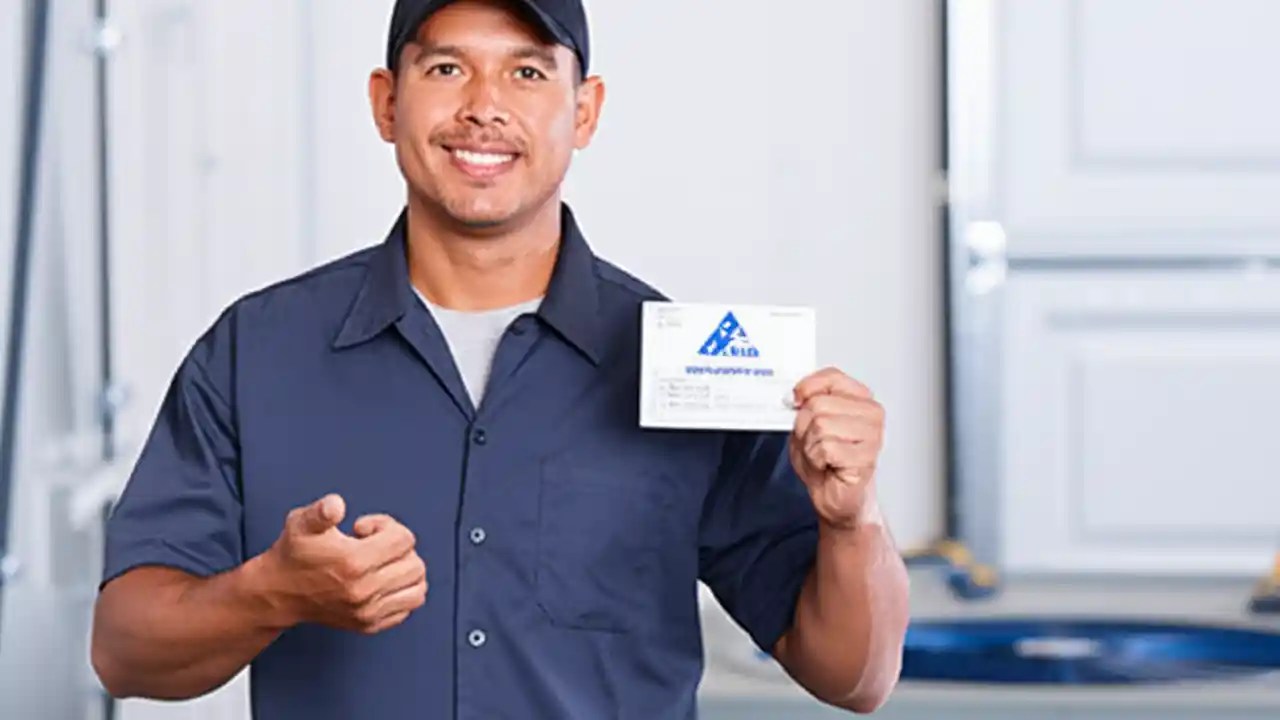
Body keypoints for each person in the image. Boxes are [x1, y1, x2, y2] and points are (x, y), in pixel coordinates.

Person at [89, 0, 910, 717]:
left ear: (584, 112)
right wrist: (270, 592)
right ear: (386, 102)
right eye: (447, 67)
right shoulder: (257, 352)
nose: (483, 107)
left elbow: (853, 676)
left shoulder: (687, 367)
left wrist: (851, 520)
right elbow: (125, 652)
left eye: (526, 73)